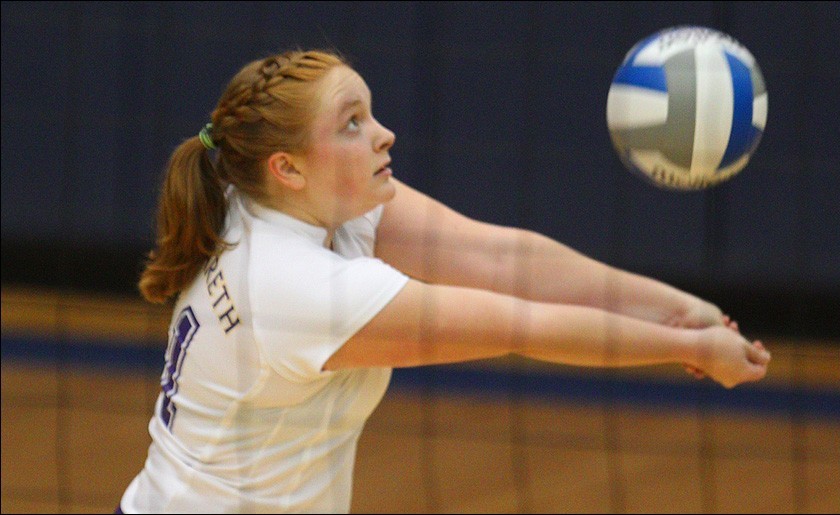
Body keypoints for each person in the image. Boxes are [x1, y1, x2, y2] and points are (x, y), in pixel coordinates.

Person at [119, 49, 771, 513]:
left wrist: (682, 309)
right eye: (352, 124)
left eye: (369, 113)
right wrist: (691, 349)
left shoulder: (272, 198)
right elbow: (523, 323)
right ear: (287, 166)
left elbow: (500, 259)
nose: (383, 134)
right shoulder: (298, 289)